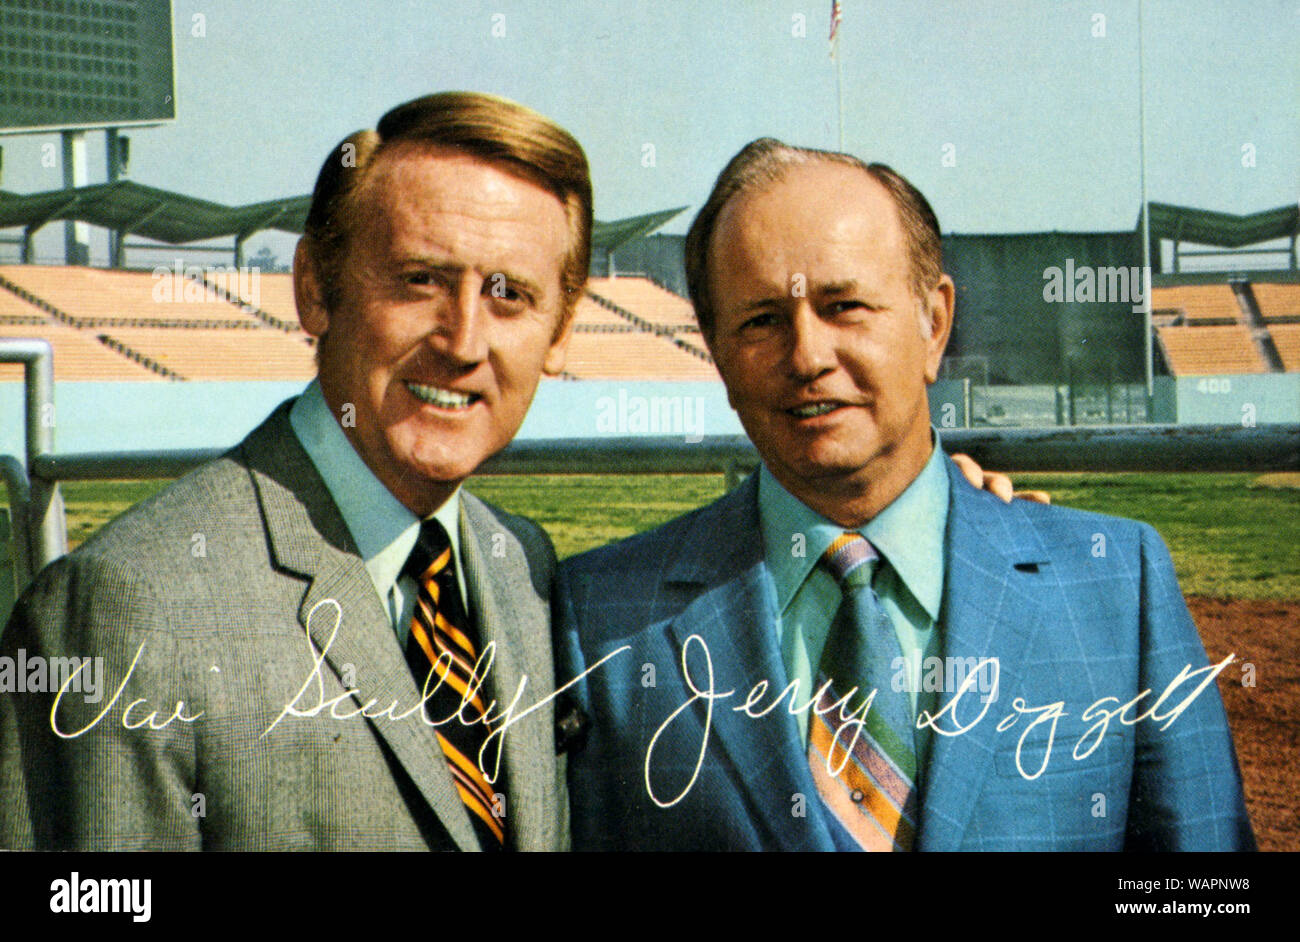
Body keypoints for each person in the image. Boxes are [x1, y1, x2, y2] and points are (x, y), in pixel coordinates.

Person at [554, 138, 1255, 851]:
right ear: (718, 353)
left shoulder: (1115, 584)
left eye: (845, 306)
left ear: (934, 324)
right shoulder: (603, 615)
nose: (808, 357)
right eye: (762, 319)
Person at [0, 91, 589, 850]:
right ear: (314, 287)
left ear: (561, 331)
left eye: (508, 294)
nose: (464, 340)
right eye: (421, 280)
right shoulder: (125, 607)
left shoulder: (524, 569)